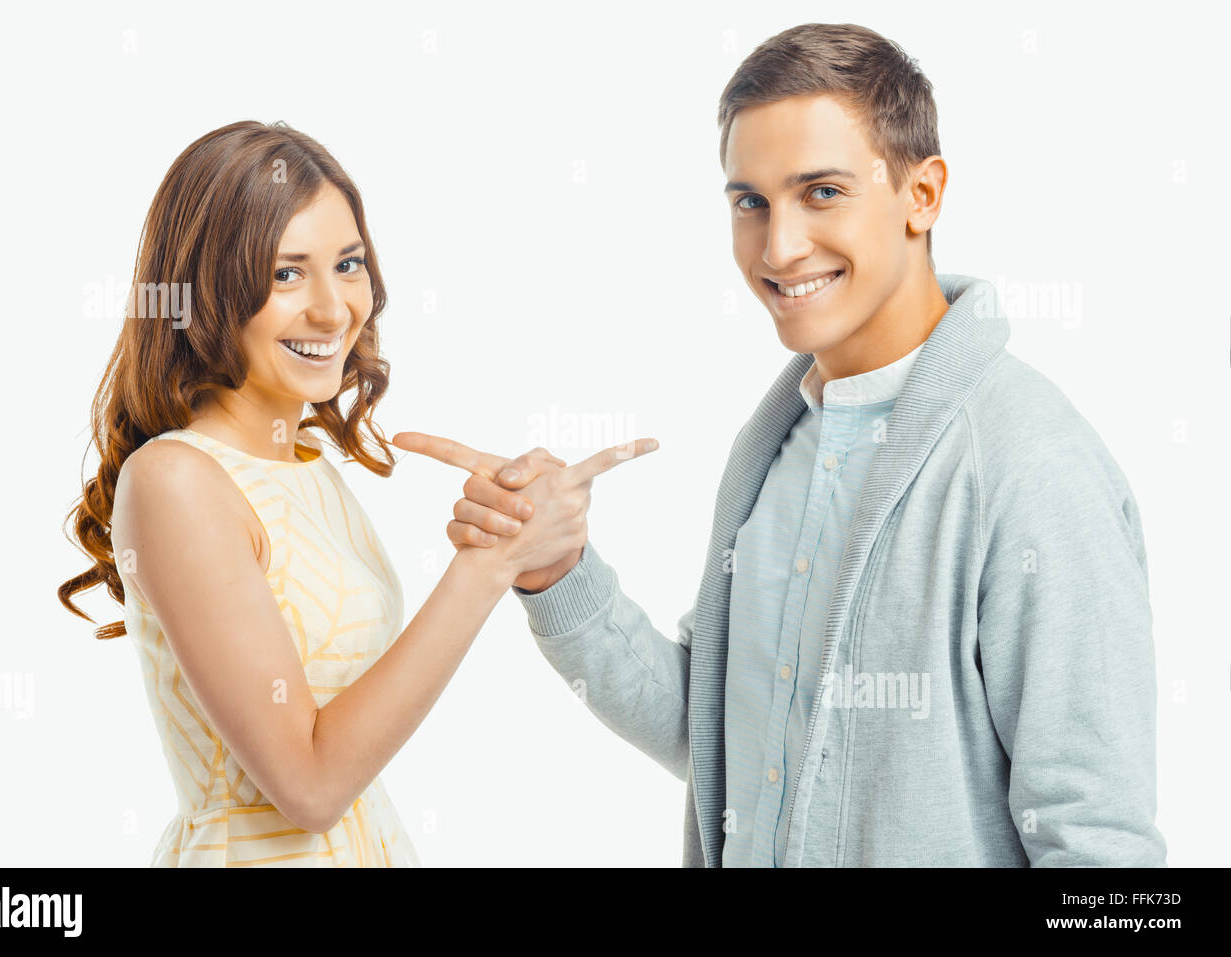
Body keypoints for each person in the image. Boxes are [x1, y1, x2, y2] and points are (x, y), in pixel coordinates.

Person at [396, 23, 1167, 867]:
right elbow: (718, 732)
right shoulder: (778, 446)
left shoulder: (1034, 467)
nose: (779, 247)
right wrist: (558, 570)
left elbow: (1102, 851)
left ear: (923, 193)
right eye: (750, 201)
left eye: (822, 192)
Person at [57, 120, 656, 867]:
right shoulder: (174, 480)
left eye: (348, 264)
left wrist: (520, 537)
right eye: (285, 274)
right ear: (207, 291)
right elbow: (309, 785)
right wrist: (487, 564)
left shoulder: (307, 465)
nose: (333, 308)